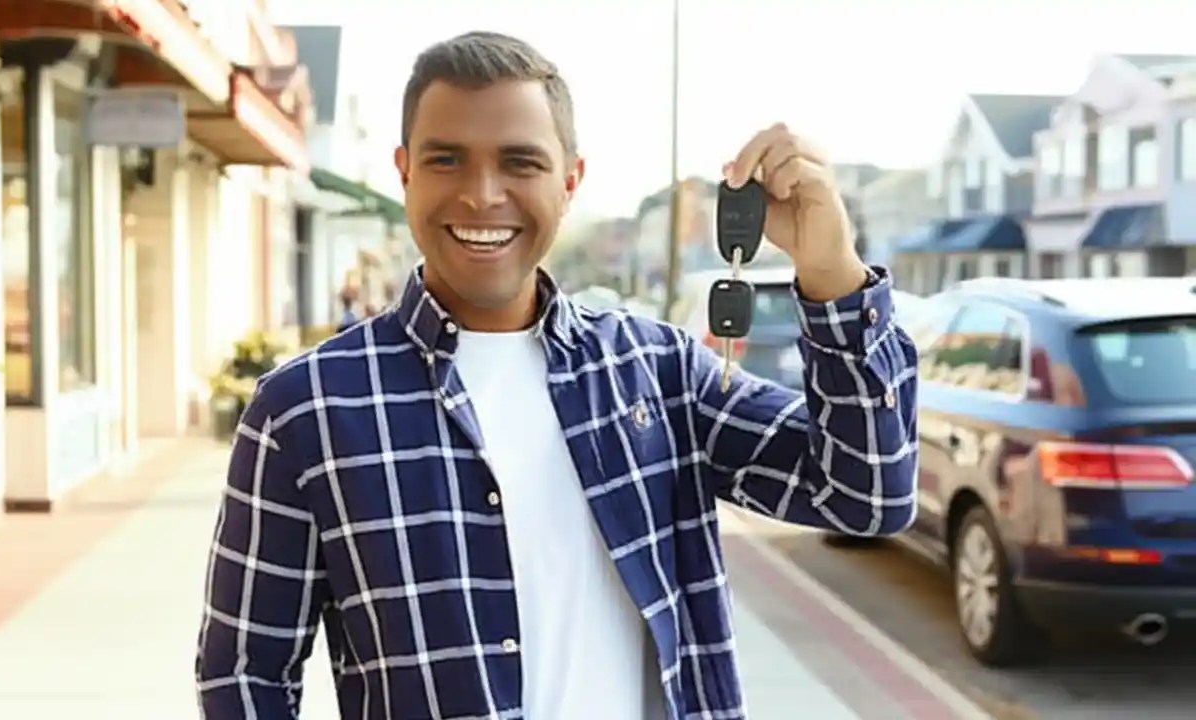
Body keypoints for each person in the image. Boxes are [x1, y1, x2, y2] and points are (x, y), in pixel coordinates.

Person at [196, 30, 919, 720]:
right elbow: (245, 671)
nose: (482, 194)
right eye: (447, 159)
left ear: (570, 181)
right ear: (404, 171)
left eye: (521, 162)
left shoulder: (658, 375)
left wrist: (832, 274)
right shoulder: (306, 411)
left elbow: (865, 494)